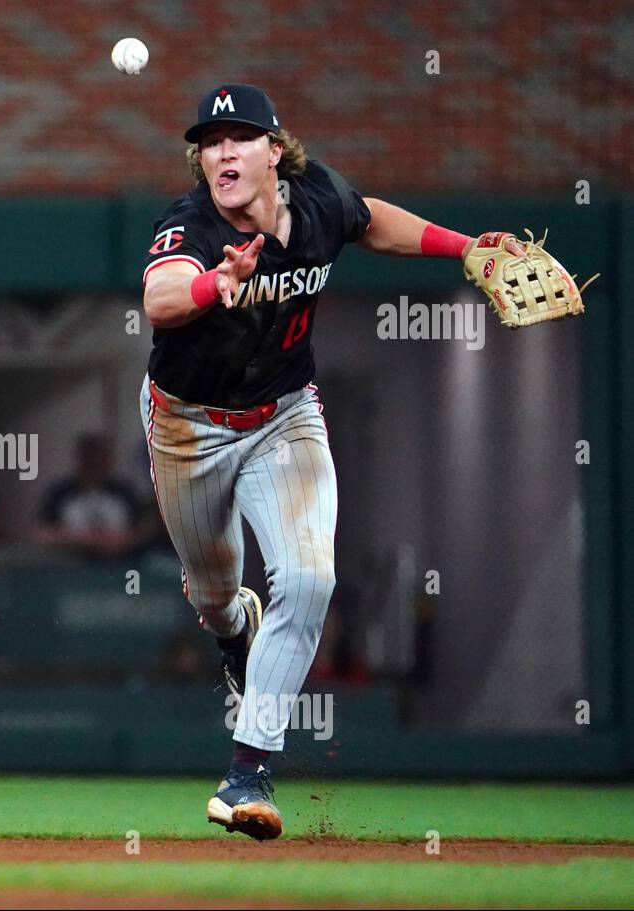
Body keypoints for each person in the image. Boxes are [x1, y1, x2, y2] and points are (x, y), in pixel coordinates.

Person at [140, 83, 529, 840]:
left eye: (240, 136)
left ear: (275, 151)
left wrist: (466, 247)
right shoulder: (189, 223)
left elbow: (373, 218)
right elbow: (158, 298)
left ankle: (247, 770)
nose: (222, 151)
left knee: (312, 575)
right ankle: (232, 626)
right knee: (216, 591)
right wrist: (214, 282)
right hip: (186, 427)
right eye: (211, 140)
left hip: (285, 416)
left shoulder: (315, 200)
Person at [33, 433, 149, 560]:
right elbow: (42, 532)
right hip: (69, 564)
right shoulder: (60, 493)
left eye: (97, 457)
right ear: (79, 459)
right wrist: (88, 542)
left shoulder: (125, 492)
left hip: (118, 563)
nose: (93, 462)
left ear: (107, 459)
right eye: (88, 457)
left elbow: (142, 531)